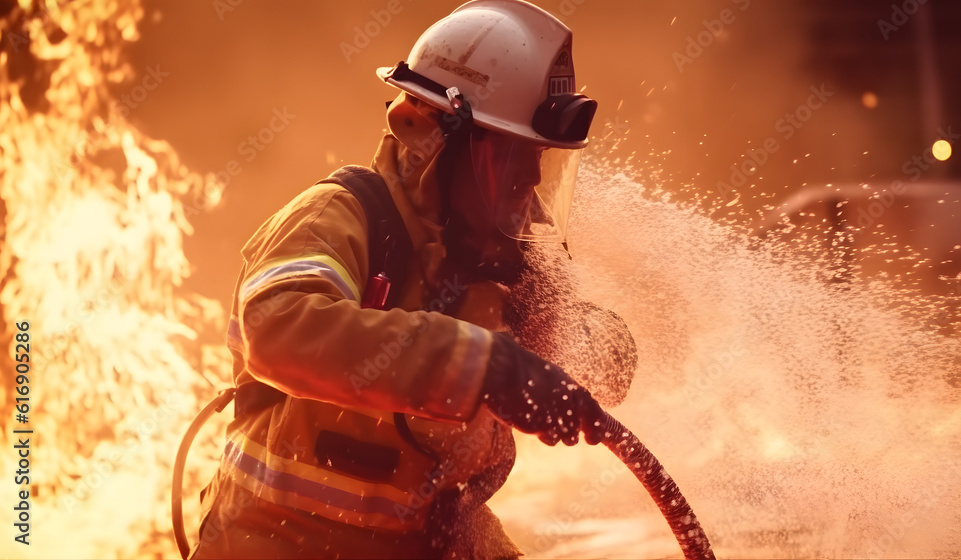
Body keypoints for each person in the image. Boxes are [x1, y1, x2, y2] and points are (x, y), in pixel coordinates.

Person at [190, 1, 636, 558]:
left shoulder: (501, 259)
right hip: (275, 543)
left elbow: (586, 345)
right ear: (429, 137)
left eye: (541, 156)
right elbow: (279, 327)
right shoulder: (338, 217)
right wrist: (483, 366)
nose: (532, 177)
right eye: (510, 155)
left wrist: (586, 358)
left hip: (431, 540)